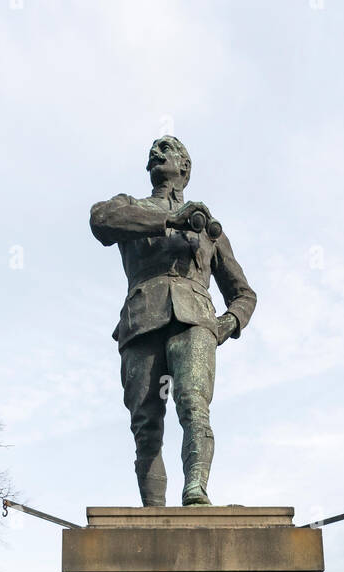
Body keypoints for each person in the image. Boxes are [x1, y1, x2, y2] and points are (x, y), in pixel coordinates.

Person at [90, 136, 257, 506]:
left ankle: (195, 491)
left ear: (185, 167)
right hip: (142, 321)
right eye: (153, 150)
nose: (156, 153)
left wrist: (226, 325)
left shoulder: (209, 228)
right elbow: (100, 219)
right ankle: (153, 514)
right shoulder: (130, 208)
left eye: (166, 149)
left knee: (192, 404)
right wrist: (168, 219)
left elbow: (243, 293)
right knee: (146, 424)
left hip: (195, 321)